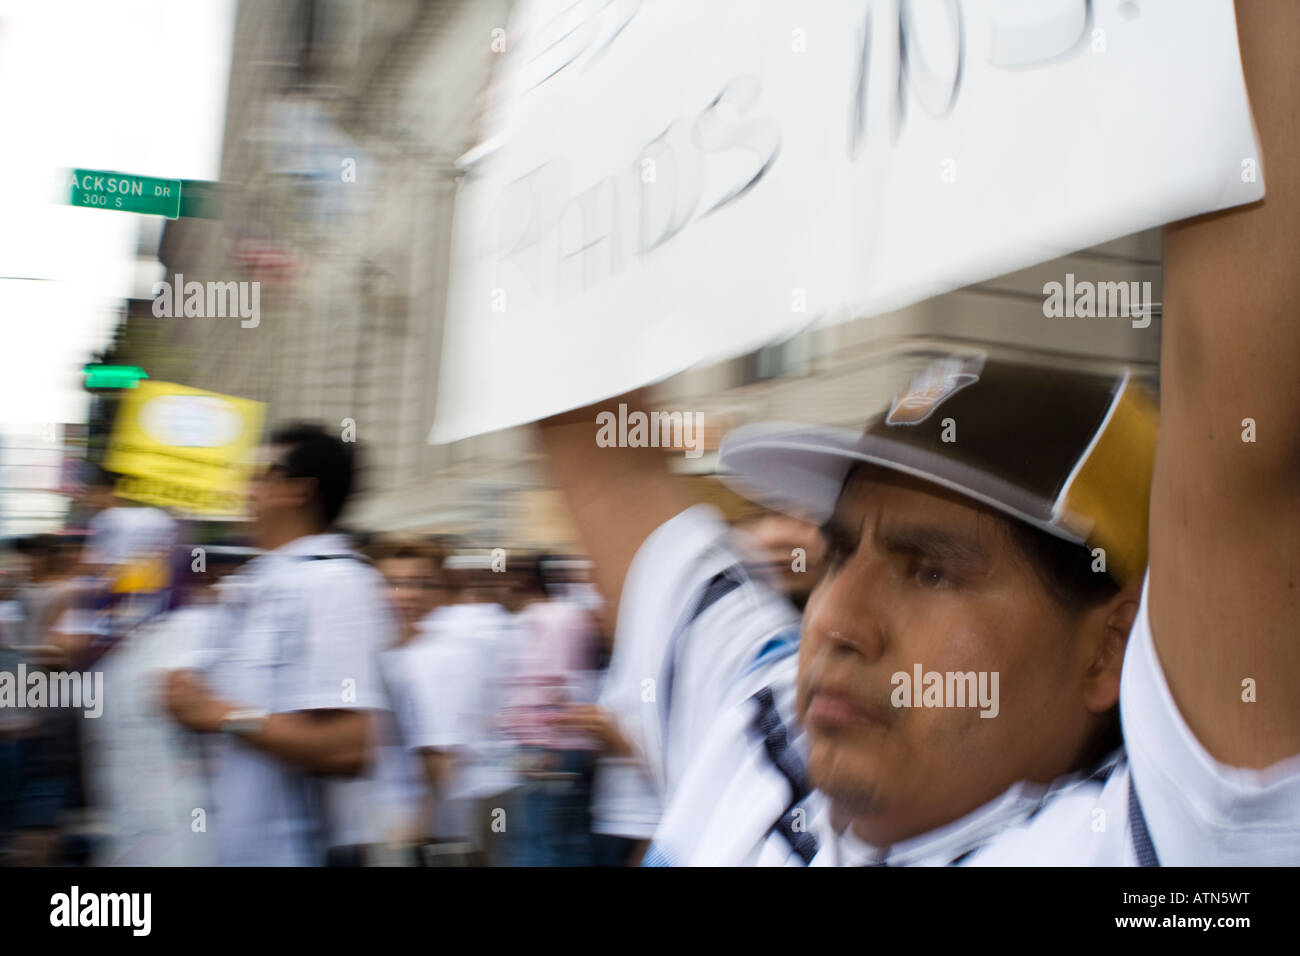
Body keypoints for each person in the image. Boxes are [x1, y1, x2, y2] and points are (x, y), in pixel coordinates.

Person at [533, 1, 1300, 866]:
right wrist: (554, 102)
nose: (835, 622)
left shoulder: (1158, 851)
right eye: (836, 554)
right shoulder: (751, 722)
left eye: (931, 569)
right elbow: (604, 460)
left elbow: (1251, 434)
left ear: (1109, 652)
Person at [162, 423, 395, 866]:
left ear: (296, 491)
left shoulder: (336, 582)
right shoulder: (255, 582)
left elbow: (350, 746)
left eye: (258, 477)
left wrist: (220, 716)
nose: (244, 490)